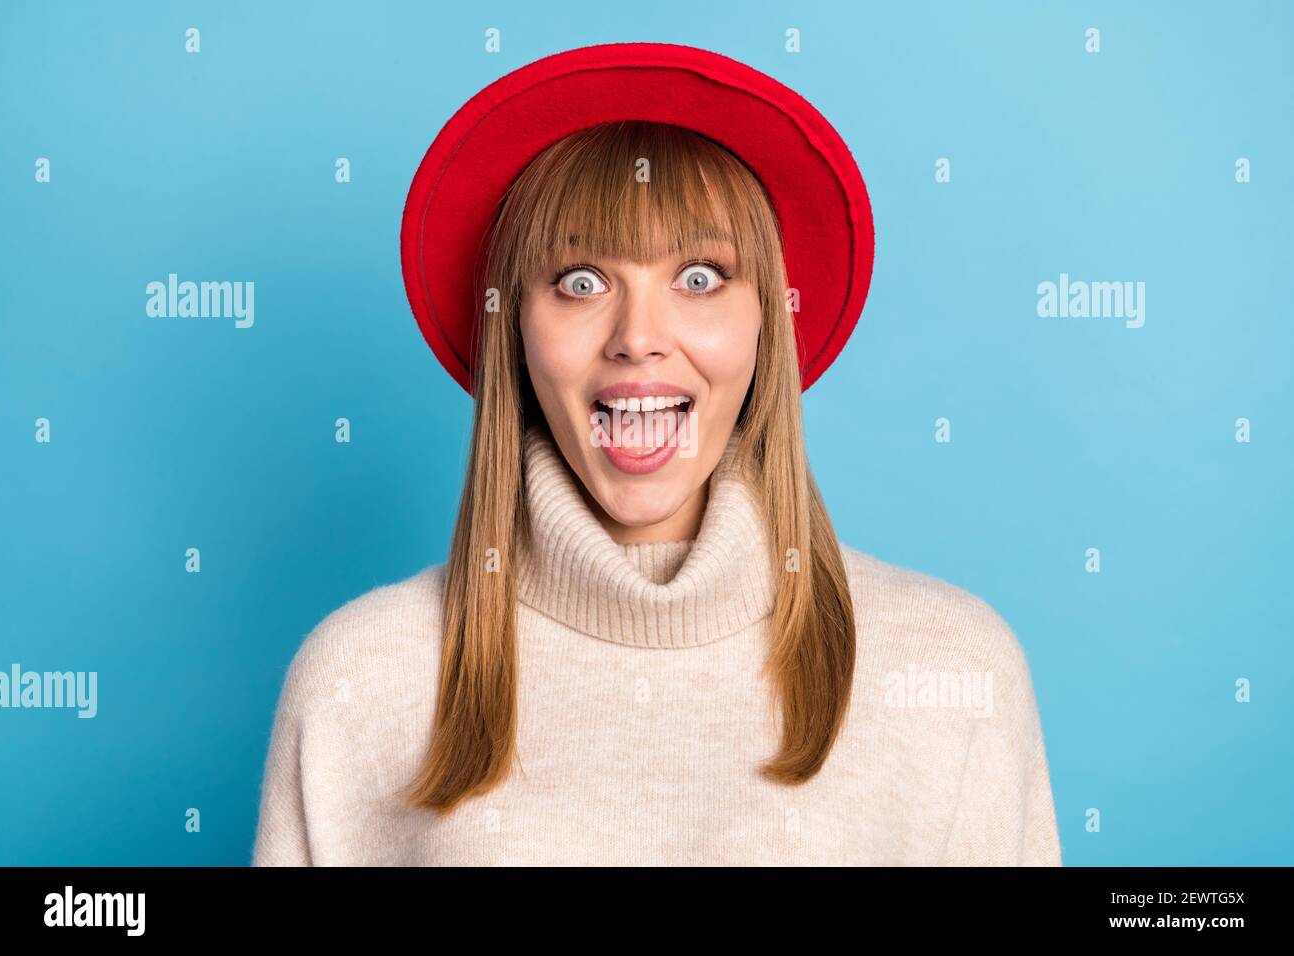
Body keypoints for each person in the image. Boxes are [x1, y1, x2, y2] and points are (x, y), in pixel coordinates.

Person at [252, 43, 1062, 866]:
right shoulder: (360, 680)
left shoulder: (954, 670)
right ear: (517, 329)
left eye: (701, 277)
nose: (638, 339)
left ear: (765, 323)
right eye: (580, 282)